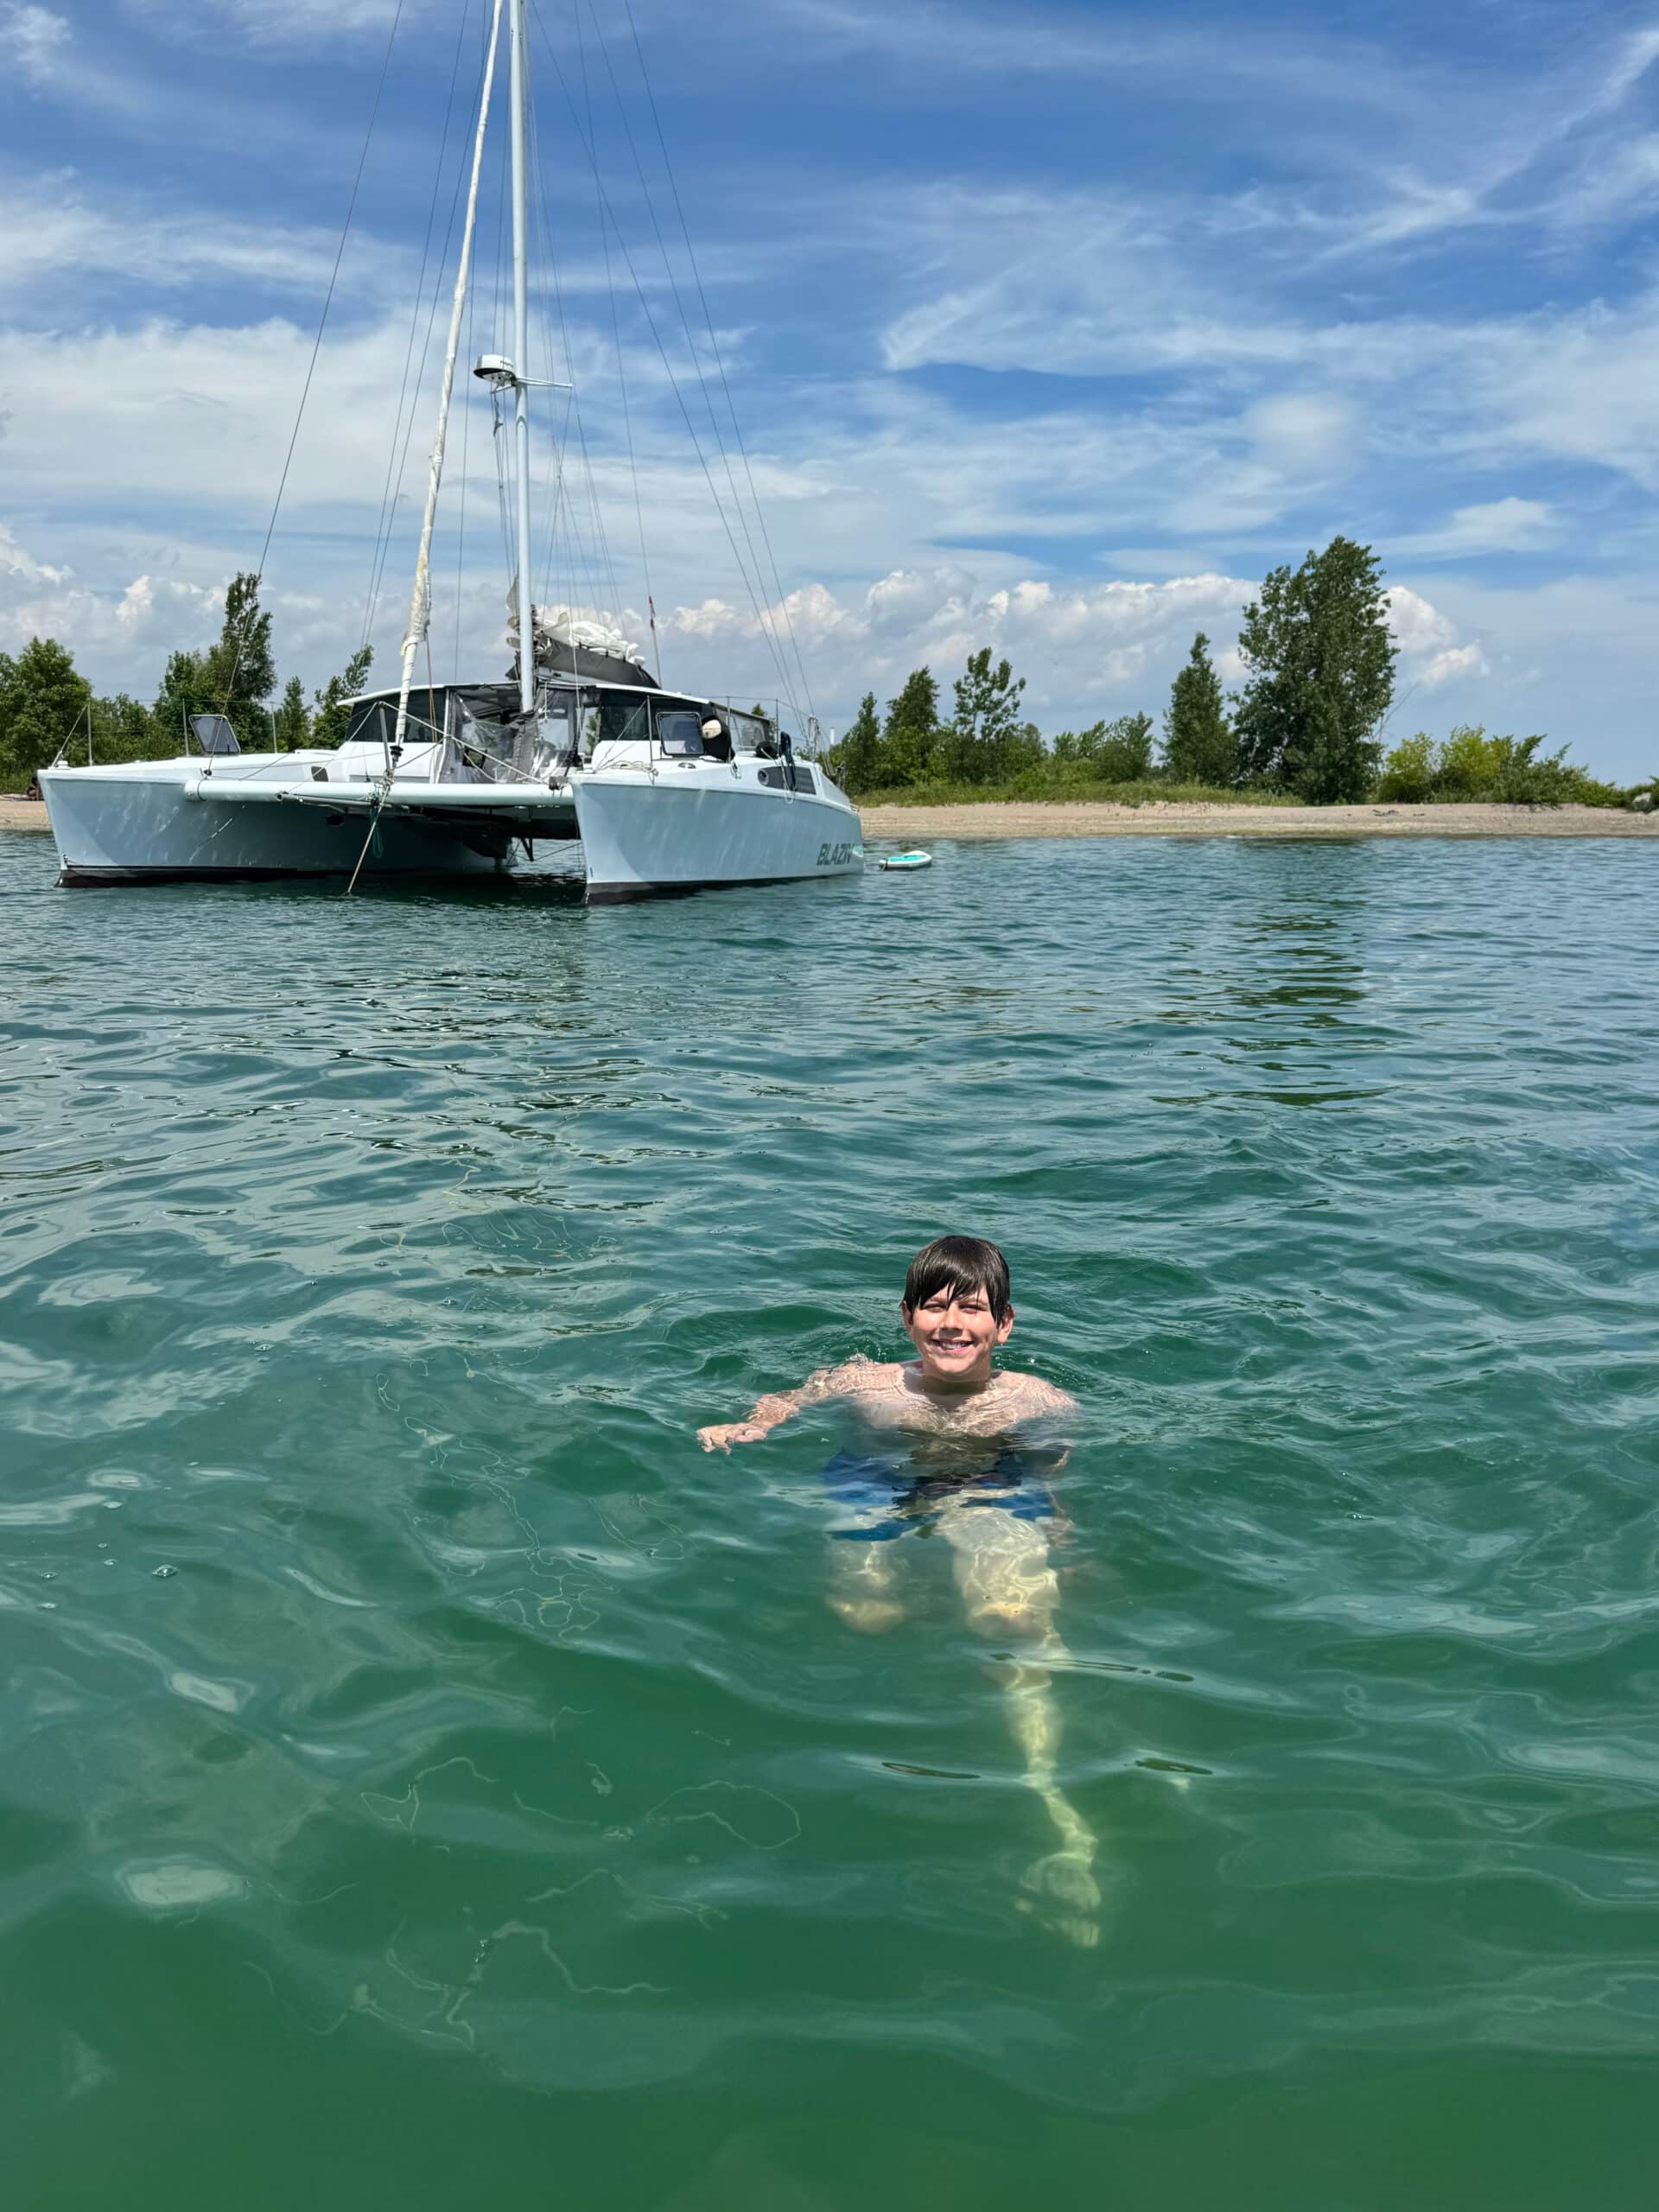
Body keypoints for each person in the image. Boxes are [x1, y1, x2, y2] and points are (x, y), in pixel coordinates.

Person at [698, 1235, 1102, 1947]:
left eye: (971, 1308)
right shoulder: (864, 1383)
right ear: (907, 1318)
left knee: (1014, 1621)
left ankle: (1052, 1798)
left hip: (990, 1485)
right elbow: (787, 1401)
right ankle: (911, 1602)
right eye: (934, 1307)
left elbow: (1051, 1481)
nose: (952, 1323)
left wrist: (1064, 1542)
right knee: (868, 1613)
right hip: (873, 1477)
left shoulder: (1041, 1402)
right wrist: (751, 1426)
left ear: (1004, 1324)